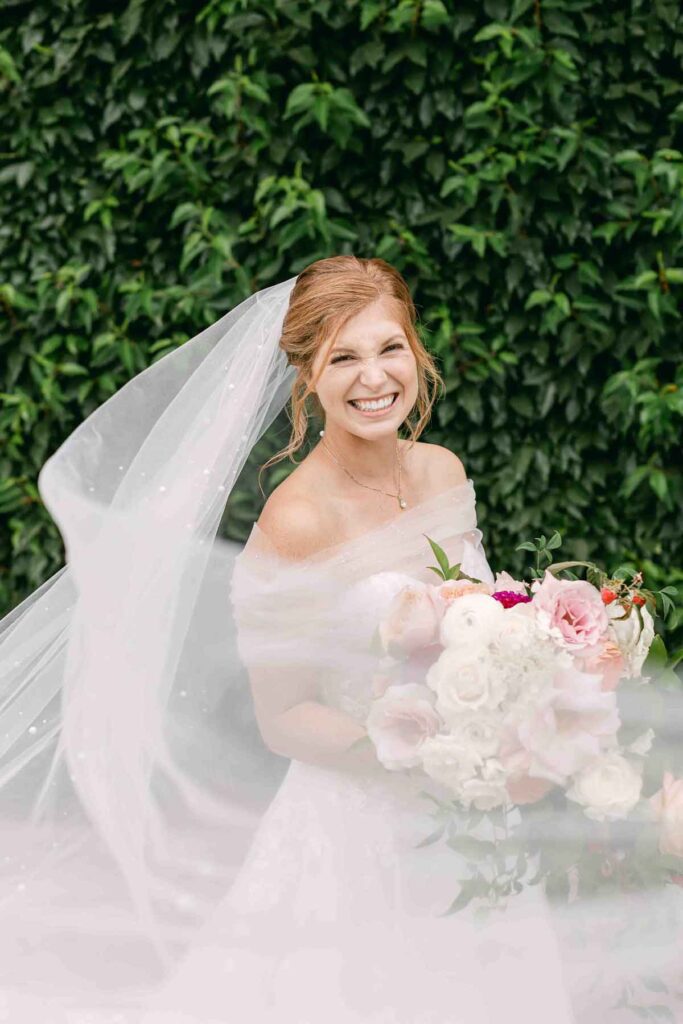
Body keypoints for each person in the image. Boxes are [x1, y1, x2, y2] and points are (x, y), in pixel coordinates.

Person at [0, 257, 678, 1023]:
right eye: (342, 359)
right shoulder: (296, 522)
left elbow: (480, 622)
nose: (373, 378)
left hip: (478, 821)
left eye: (388, 348)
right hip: (362, 836)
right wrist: (437, 759)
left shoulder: (440, 471)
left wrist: (530, 702)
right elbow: (282, 716)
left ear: (416, 351)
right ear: (307, 378)